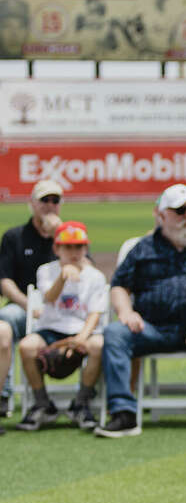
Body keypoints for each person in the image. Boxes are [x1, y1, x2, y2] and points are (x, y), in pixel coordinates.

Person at [95, 184, 186, 438]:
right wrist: (126, 312)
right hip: (151, 328)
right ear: (160, 215)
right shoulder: (143, 248)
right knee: (114, 333)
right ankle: (123, 413)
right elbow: (119, 285)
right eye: (180, 210)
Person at [15, 221, 106, 431]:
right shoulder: (46, 271)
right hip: (51, 330)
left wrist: (82, 337)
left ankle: (81, 403)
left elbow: (95, 313)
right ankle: (42, 403)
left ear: (86, 248)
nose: (74, 252)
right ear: (57, 248)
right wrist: (63, 277)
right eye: (68, 247)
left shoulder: (96, 277)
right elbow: (49, 297)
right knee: (27, 346)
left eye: (79, 246)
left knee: (98, 345)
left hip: (81, 329)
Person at [0, 180, 65, 426]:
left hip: (62, 307)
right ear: (32, 204)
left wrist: (59, 235)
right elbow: (4, 280)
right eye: (44, 200)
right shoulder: (15, 236)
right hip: (24, 304)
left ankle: (85, 398)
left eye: (55, 201)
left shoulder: (68, 235)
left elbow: (86, 272)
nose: (49, 206)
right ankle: (3, 395)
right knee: (5, 321)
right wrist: (28, 305)